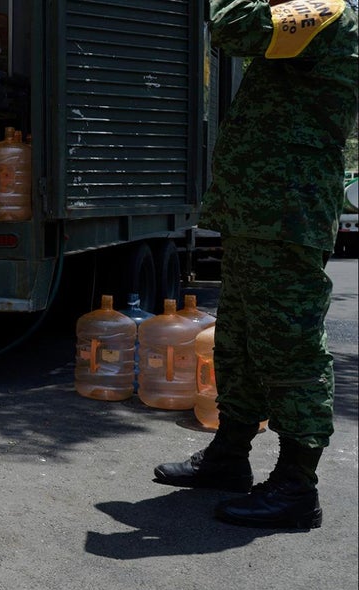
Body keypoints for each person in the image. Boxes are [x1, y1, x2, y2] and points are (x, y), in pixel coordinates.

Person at [153, 0, 357, 530]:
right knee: (239, 340)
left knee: (287, 345)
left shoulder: (330, 10)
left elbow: (232, 24)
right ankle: (229, 457)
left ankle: (295, 485)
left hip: (287, 213)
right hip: (258, 212)